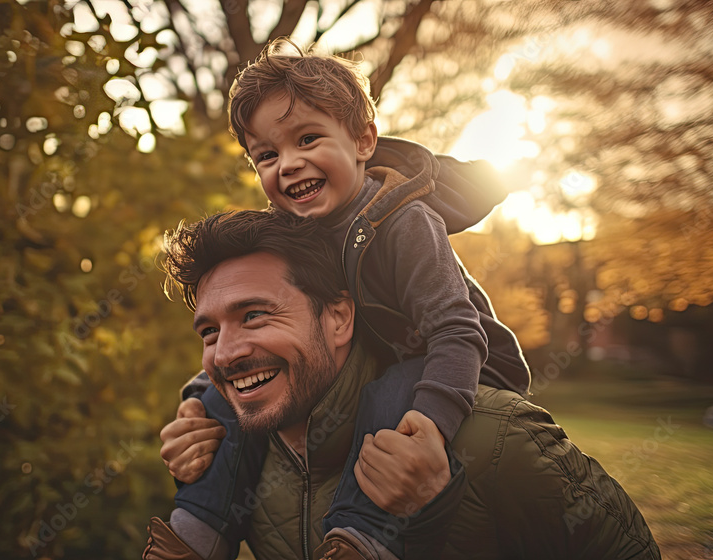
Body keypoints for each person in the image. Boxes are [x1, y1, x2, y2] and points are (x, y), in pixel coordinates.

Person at [163, 38, 532, 560]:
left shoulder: (403, 220)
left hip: (458, 366)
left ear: (363, 141)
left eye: (308, 139)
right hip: (374, 364)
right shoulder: (295, 236)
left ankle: (362, 538)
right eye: (266, 155)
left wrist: (430, 422)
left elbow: (455, 328)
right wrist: (196, 402)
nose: (287, 164)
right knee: (226, 399)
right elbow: (253, 331)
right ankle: (194, 536)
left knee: (387, 391)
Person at [144, 209, 661, 560]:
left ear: (339, 318)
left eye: (254, 315)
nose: (227, 352)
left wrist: (437, 513)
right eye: (209, 331)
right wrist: (194, 402)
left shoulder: (496, 437)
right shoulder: (231, 456)